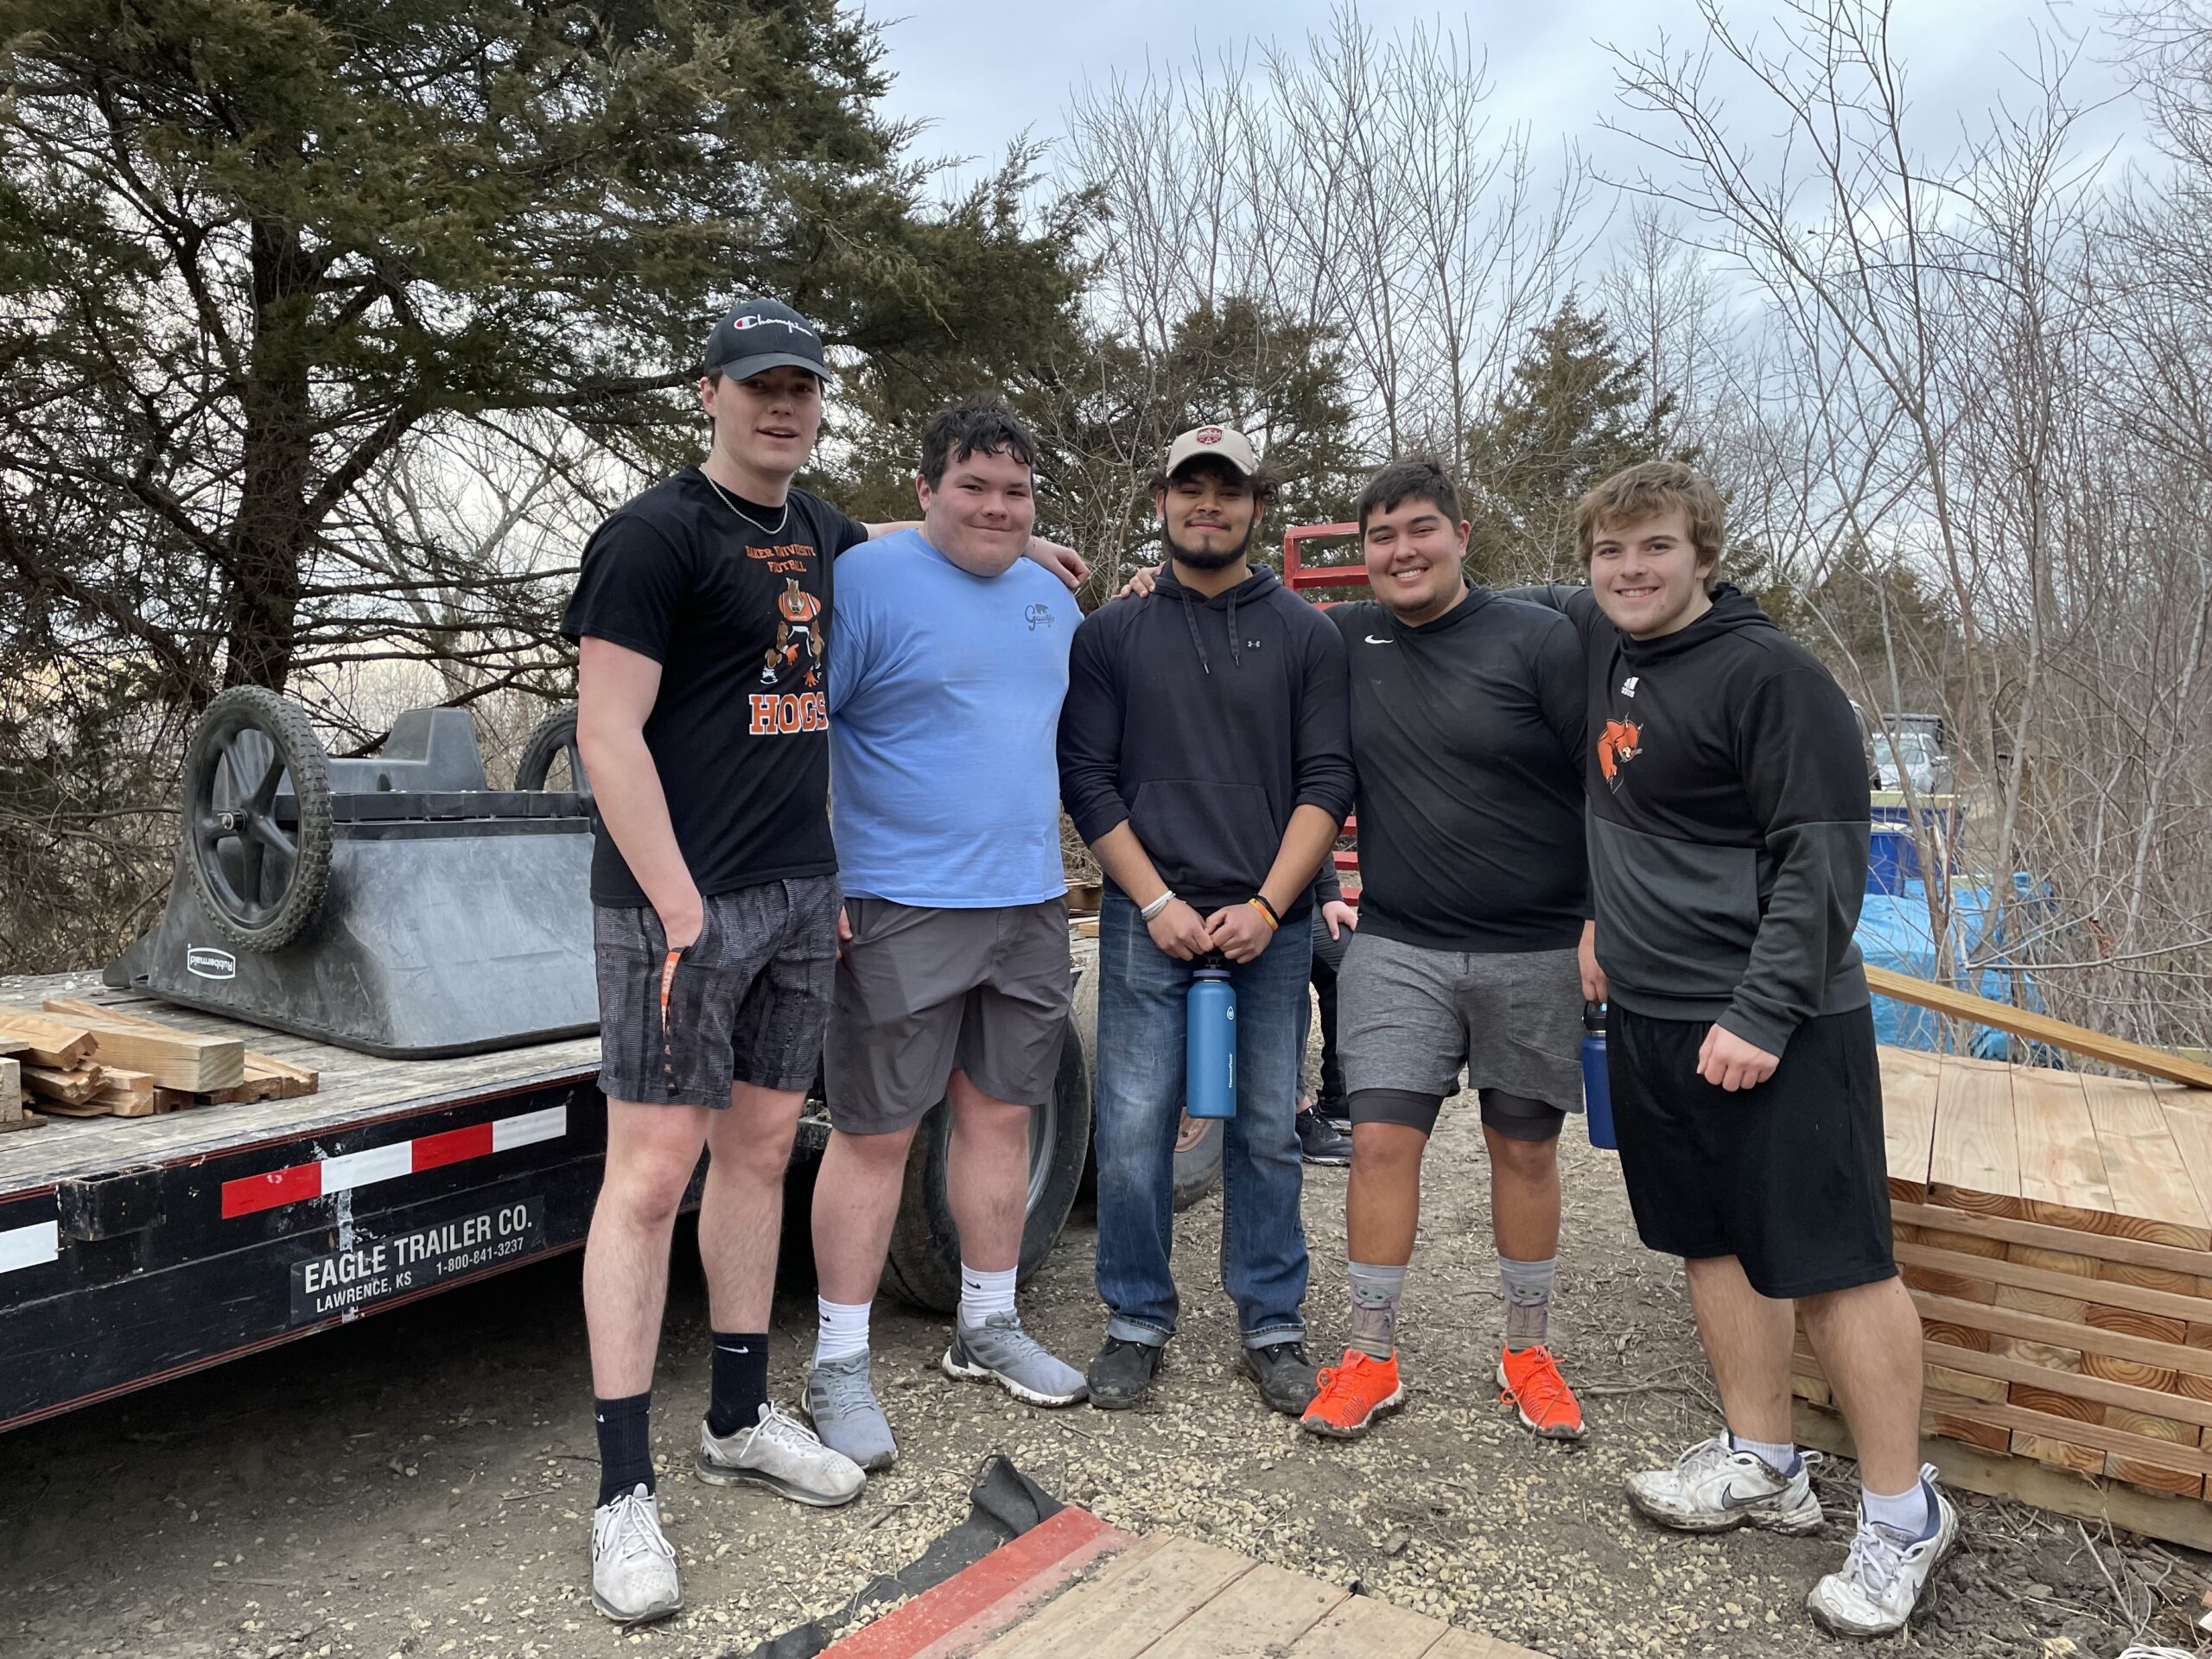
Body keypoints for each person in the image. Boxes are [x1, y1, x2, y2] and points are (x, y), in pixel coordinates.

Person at [562, 300, 1084, 1626]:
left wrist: (1027, 541)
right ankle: (624, 1491)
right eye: (759, 387)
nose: (781, 407)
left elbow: (919, 539)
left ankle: (740, 1415)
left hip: (806, 899)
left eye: (800, 388)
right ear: (710, 393)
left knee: (752, 1156)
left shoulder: (821, 531)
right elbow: (606, 735)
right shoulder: (650, 537)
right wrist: (680, 907)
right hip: (679, 910)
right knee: (647, 1180)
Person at [1521, 460, 1948, 1638]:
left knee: (1835, 1265)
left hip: (1778, 1025)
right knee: (1709, 1243)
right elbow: (1461, 587)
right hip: (1654, 1018)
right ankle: (1765, 1461)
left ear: (1705, 556)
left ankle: (1904, 1515)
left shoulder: (1774, 678)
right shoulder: (1608, 643)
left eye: (1654, 548)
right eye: (1610, 553)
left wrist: (1760, 1015)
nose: (1629, 570)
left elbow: (1824, 863)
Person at [803, 401, 1090, 1473]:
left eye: (1015, 492)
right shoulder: (862, 582)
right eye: (972, 486)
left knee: (1000, 1122)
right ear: (923, 491)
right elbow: (797, 735)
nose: (996, 508)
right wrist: (818, 873)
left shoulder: (1048, 599)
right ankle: (837, 1360)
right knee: (874, 1136)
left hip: (1025, 902)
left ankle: (988, 1324)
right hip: (898, 903)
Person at [1292, 460, 1595, 1446]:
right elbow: (1239, 634)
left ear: (1462, 534)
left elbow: (1607, 784)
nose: (1401, 551)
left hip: (1536, 944)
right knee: (1377, 1143)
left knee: (1523, 1147)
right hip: (1400, 943)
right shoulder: (1342, 640)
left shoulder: (1537, 639)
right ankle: (1371, 1358)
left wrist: (1601, 919)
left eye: (1420, 529)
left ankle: (1526, 1351)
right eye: (1380, 537)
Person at [1058, 423, 1355, 1414]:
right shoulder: (1111, 634)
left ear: (1255, 508)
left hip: (1265, 931)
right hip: (1153, 924)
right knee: (1134, 1131)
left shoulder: (1308, 637)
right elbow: (1088, 780)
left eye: (1228, 491)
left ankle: (1271, 1325)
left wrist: (1273, 905)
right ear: (1163, 502)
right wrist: (1153, 901)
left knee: (1266, 1131)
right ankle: (1135, 1319)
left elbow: (1327, 781)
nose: (1208, 506)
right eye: (1191, 488)